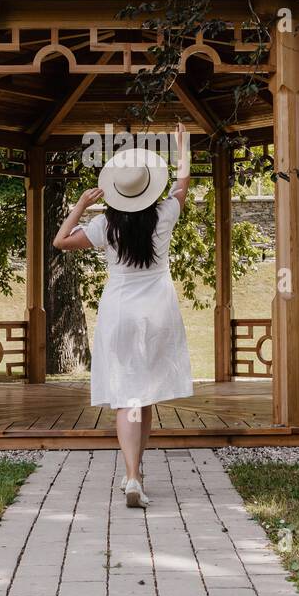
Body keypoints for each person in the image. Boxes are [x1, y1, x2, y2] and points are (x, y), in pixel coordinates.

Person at [52, 123, 193, 508]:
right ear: (149, 188)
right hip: (157, 313)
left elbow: (60, 241)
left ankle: (132, 474)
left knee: (127, 394)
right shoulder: (164, 215)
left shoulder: (105, 225)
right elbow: (182, 184)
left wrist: (81, 205)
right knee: (144, 396)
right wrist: (182, 148)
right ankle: (136, 473)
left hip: (119, 313)